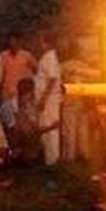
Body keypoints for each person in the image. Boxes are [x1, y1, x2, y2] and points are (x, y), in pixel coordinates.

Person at [36, 31, 63, 166]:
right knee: (46, 127)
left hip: (49, 100)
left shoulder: (50, 57)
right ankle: (49, 158)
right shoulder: (48, 57)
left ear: (45, 41)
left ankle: (53, 160)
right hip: (47, 98)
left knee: (51, 128)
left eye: (41, 40)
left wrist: (43, 99)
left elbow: (52, 79)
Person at [0, 33, 36, 109]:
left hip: (22, 93)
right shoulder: (3, 55)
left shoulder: (27, 55)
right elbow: (2, 73)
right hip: (7, 92)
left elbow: (36, 70)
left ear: (19, 42)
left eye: (14, 41)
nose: (12, 43)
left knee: (22, 115)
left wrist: (32, 90)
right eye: (10, 41)